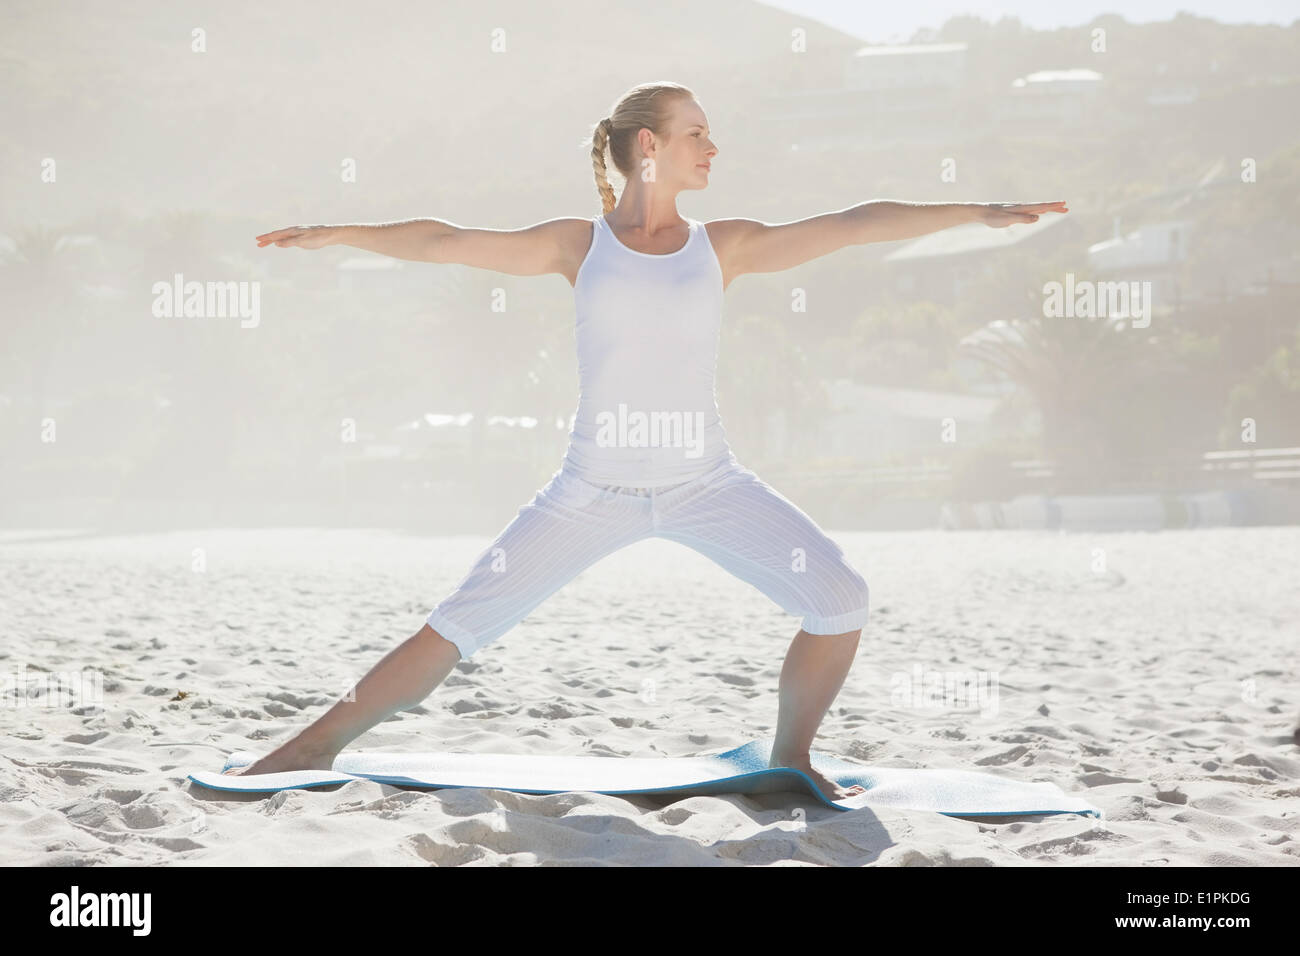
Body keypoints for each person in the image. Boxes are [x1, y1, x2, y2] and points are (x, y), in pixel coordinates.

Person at [232, 81, 1067, 801]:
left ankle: (791, 754)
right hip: (589, 493)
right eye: (696, 132)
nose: (713, 146)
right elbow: (443, 241)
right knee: (453, 630)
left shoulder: (720, 247)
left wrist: (978, 212)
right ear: (648, 146)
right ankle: (312, 747)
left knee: (840, 600)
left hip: (708, 484)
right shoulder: (580, 245)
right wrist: (340, 233)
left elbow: (852, 224)